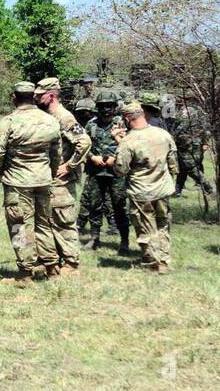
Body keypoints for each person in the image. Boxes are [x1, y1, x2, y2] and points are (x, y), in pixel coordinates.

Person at [0, 81, 60, 285]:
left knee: (19, 225)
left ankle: (25, 273)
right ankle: (52, 267)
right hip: (43, 180)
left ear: (14, 97)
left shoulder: (9, 121)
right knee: (44, 223)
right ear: (34, 97)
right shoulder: (50, 120)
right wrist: (51, 174)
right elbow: (56, 152)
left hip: (18, 183)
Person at [35, 77, 92, 275]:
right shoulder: (47, 116)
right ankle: (50, 260)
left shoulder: (64, 117)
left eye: (40, 95)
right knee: (47, 220)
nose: (36, 98)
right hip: (48, 179)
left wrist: (69, 166)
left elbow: (84, 142)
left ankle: (71, 263)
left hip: (61, 181)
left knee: (62, 220)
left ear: (51, 95)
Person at [114, 102, 179, 273]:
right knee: (163, 225)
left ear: (127, 118)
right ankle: (164, 261)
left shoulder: (128, 141)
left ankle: (151, 264)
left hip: (141, 191)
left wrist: (118, 142)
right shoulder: (163, 134)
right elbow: (173, 163)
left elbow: (121, 170)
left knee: (145, 227)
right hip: (163, 189)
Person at [78, 90, 131, 252]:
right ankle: (95, 239)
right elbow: (84, 146)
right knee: (94, 205)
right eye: (102, 106)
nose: (106, 109)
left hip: (116, 173)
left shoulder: (122, 124)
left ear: (115, 107)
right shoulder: (91, 125)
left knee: (119, 206)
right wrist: (92, 157)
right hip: (96, 172)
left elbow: (130, 146)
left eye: (109, 106)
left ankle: (124, 241)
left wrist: (115, 157)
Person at [171, 102, 215, 198]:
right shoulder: (198, 110)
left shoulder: (187, 110)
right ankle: (177, 190)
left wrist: (172, 138)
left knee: (190, 168)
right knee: (183, 168)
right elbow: (206, 127)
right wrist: (205, 142)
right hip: (191, 144)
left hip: (188, 144)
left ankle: (209, 188)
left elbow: (179, 128)